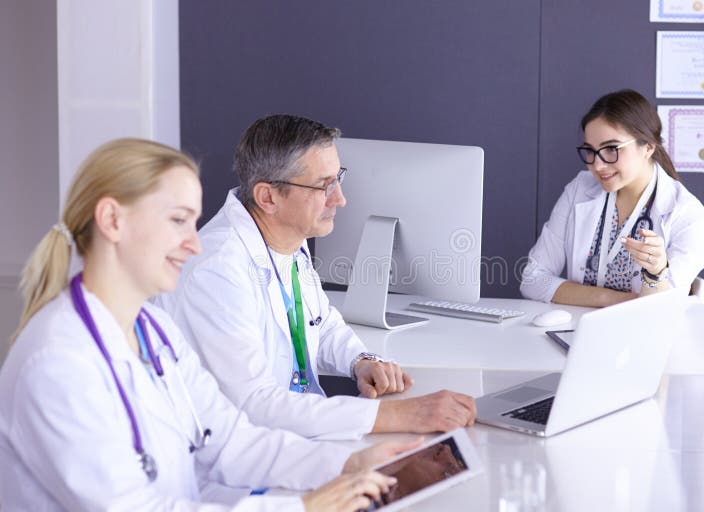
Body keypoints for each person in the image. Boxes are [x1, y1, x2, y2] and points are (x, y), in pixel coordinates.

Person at [0, 138, 419, 511]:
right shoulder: (57, 362)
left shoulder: (152, 329)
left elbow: (230, 440)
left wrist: (349, 462)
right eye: (178, 220)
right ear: (112, 220)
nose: (195, 242)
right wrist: (304, 507)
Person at [157, 114, 476, 440]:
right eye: (324, 185)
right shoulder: (218, 270)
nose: (340, 199)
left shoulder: (284, 238)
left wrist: (360, 360)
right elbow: (253, 404)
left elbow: (319, 322)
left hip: (295, 437)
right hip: (242, 459)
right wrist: (399, 414)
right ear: (268, 197)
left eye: (338, 179)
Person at [520, 89, 704, 307]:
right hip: (581, 330)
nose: (597, 165)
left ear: (647, 146)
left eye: (611, 148)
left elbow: (666, 307)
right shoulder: (579, 189)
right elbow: (533, 279)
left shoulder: (686, 213)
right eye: (590, 150)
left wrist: (656, 272)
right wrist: (612, 300)